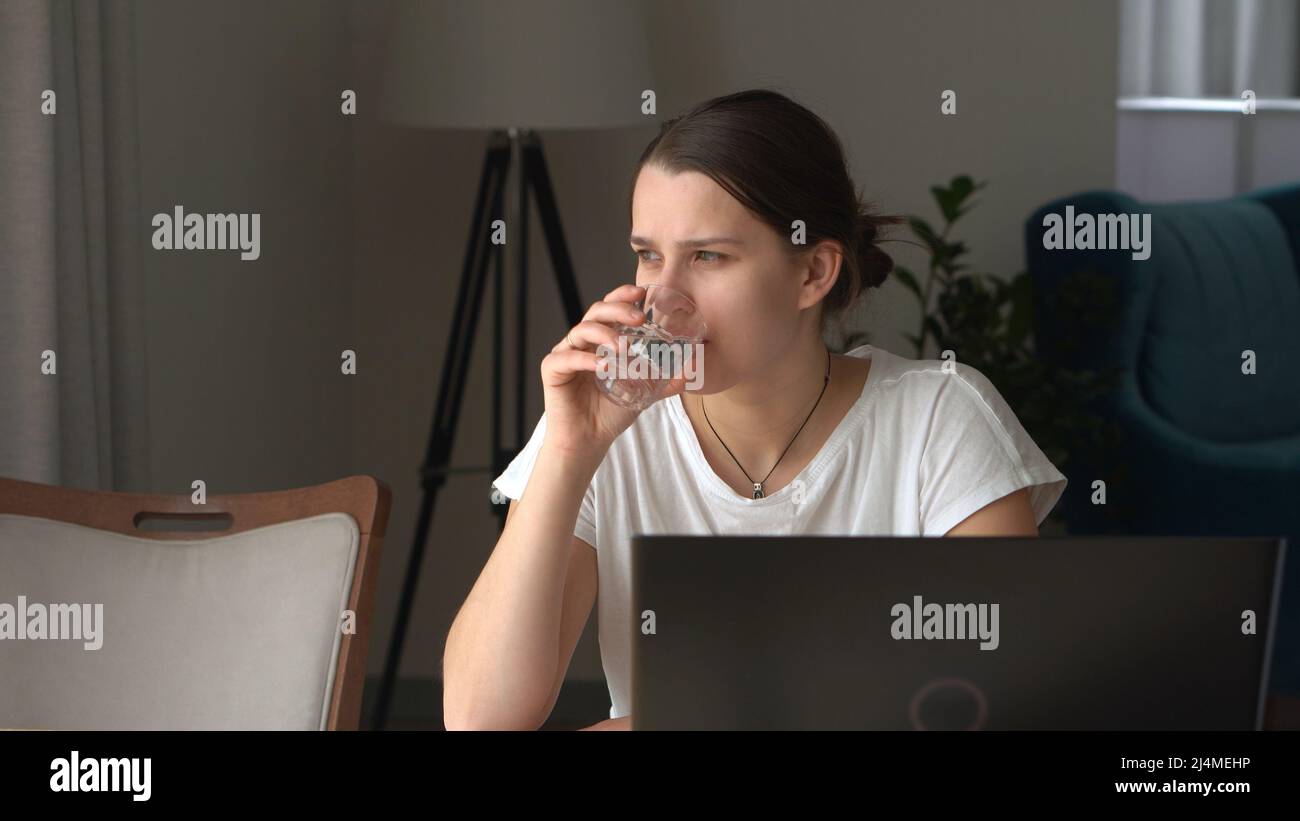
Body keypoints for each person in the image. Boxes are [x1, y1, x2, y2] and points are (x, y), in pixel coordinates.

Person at [441, 89, 1067, 731]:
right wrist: (570, 452)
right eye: (650, 255)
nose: (662, 298)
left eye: (709, 256)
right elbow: (478, 719)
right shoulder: (608, 430)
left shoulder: (939, 419)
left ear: (813, 273)